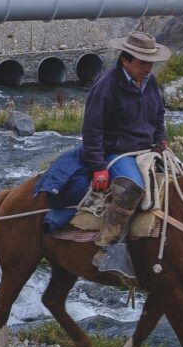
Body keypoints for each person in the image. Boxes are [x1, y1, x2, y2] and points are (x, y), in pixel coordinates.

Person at [34, 30, 170, 282]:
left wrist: (160, 139)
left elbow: (158, 115)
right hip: (115, 152)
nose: (147, 68)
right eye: (142, 63)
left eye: (150, 63)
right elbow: (92, 128)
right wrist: (99, 166)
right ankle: (107, 248)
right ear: (125, 61)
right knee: (131, 188)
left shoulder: (150, 82)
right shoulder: (106, 84)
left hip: (146, 149)